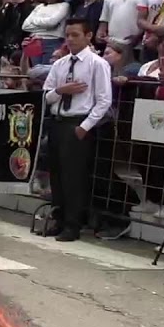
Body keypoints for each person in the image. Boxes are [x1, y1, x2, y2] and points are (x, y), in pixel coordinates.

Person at [42, 18, 112, 242]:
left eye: (75, 35)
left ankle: (73, 224)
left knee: (74, 177)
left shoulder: (97, 64)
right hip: (58, 120)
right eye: (68, 35)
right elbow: (46, 95)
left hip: (78, 122)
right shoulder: (59, 65)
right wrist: (61, 90)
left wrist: (85, 127)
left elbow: (103, 101)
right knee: (57, 175)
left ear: (88, 36)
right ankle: (59, 218)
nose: (70, 39)